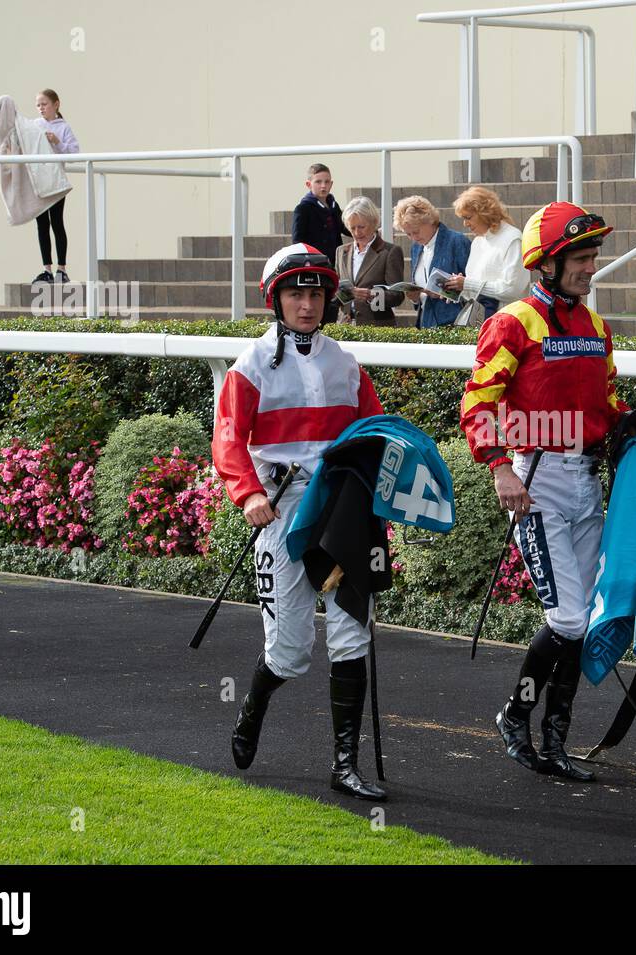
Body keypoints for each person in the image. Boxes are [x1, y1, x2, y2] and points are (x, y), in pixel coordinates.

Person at [211, 242, 388, 802]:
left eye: (315, 294)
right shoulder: (251, 365)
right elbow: (227, 441)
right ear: (276, 300)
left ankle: (345, 766)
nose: (307, 305)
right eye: (296, 294)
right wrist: (249, 495)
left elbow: (375, 432)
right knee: (289, 650)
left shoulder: (345, 363)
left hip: (340, 512)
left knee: (350, 634)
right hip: (283, 510)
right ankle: (253, 705)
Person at [459, 201, 627, 782]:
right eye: (581, 258)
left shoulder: (597, 328)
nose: (590, 268)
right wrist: (499, 468)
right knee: (569, 620)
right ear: (546, 264)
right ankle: (515, 715)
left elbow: (608, 406)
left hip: (586, 483)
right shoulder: (512, 323)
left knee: (580, 620)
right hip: (536, 483)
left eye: (592, 257)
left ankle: (555, 740)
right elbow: (477, 403)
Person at [445, 186, 529, 325]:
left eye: (468, 217)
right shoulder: (478, 242)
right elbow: (476, 289)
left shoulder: (513, 238)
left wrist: (467, 283)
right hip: (482, 323)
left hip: (508, 323)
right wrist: (457, 289)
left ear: (484, 212)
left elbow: (512, 289)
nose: (465, 224)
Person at [393, 195, 471, 329]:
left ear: (429, 221)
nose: (413, 238)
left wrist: (444, 291)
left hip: (455, 323)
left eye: (416, 232)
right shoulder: (416, 248)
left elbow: (473, 286)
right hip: (426, 323)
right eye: (408, 234)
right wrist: (415, 297)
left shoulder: (456, 241)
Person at [292, 164, 351, 324]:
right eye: (318, 182)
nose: (323, 186)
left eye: (326, 182)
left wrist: (365, 230)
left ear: (331, 184)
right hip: (315, 265)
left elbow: (344, 227)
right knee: (320, 302)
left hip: (333, 264)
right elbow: (298, 241)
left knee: (332, 303)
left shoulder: (333, 205)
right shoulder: (303, 208)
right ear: (309, 184)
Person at [334, 196, 406, 326]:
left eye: (361, 227)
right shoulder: (341, 252)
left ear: (374, 223)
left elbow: (397, 295)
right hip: (345, 326)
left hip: (377, 327)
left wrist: (371, 295)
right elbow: (334, 290)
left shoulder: (390, 252)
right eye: (352, 228)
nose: (356, 232)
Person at [33, 89, 80, 284]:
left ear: (56, 104)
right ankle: (46, 269)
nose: (41, 108)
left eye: (44, 104)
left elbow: (75, 152)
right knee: (42, 225)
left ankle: (62, 269)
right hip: (39, 181)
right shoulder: (34, 126)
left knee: (57, 223)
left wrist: (57, 142)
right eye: (38, 105)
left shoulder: (64, 128)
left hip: (56, 181)